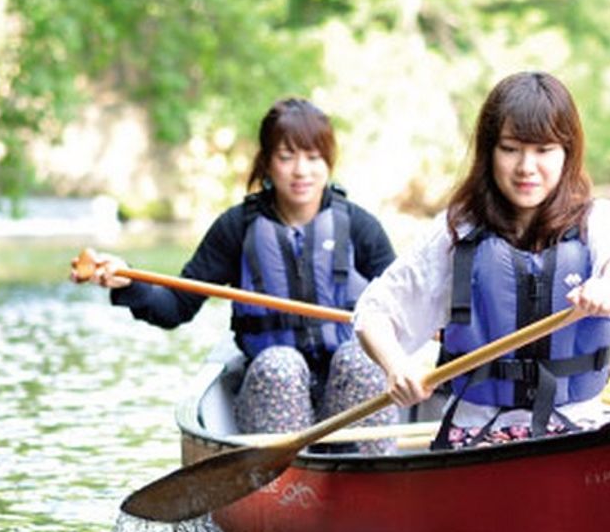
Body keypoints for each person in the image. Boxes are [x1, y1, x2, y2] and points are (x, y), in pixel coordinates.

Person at [72, 98, 398, 452]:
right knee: (280, 365)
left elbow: (405, 306)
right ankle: (287, 474)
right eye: (286, 157)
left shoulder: (360, 227)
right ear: (267, 162)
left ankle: (366, 468)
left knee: (362, 360)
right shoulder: (237, 228)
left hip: (349, 402)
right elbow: (175, 307)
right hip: (273, 398)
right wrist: (130, 282)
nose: (301, 171)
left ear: (328, 162)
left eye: (313, 157)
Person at [354, 71, 610, 449]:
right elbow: (374, 312)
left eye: (543, 150)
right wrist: (396, 367)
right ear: (489, 152)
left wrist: (608, 285)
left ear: (567, 153)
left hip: (577, 427)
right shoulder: (457, 231)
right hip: (477, 432)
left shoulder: (598, 220)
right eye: (511, 149)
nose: (526, 166)